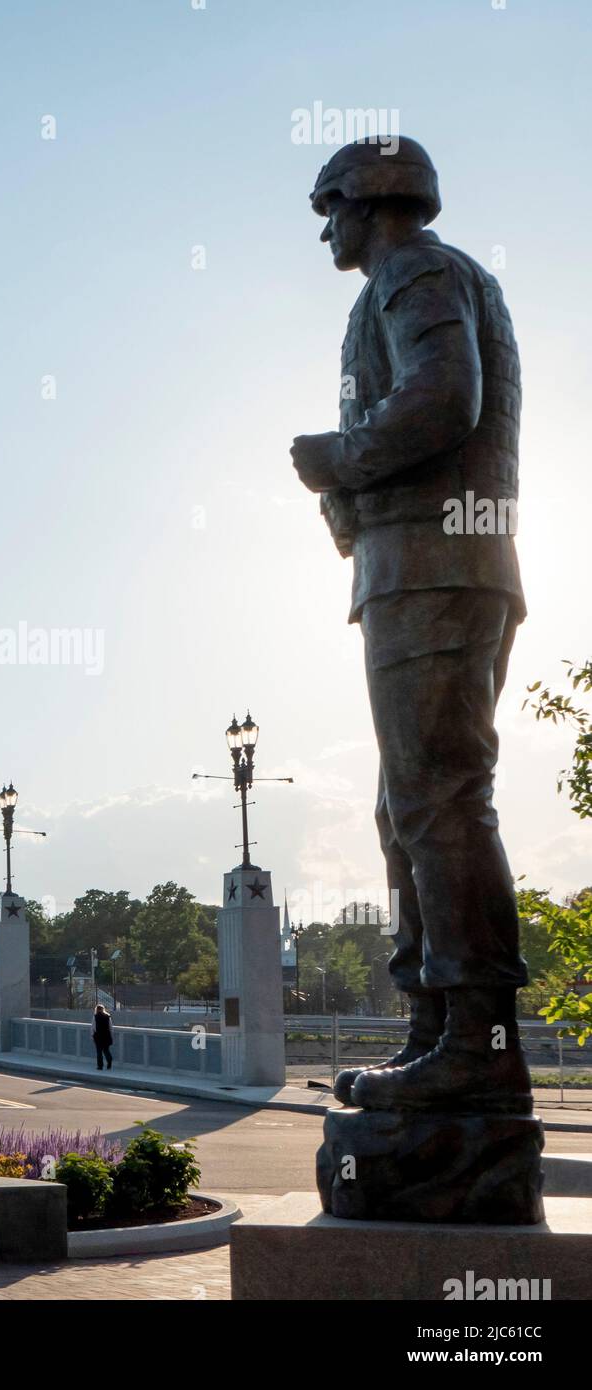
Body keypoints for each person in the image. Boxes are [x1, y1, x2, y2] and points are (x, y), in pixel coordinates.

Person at [290, 136, 532, 1115]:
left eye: (329, 209)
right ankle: (437, 1022)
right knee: (409, 803)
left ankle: (474, 1037)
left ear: (367, 202)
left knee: (436, 795)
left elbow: (443, 397)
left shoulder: (416, 271)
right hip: (418, 567)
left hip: (436, 567)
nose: (325, 232)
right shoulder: (406, 281)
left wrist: (337, 459)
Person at [92, 1004, 113, 1071]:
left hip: (98, 1036)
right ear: (103, 1009)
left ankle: (100, 1066)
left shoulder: (95, 1017)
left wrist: (92, 1035)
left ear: (96, 1010)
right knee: (106, 1050)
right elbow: (110, 1027)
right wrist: (111, 1036)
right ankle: (109, 1062)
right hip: (106, 1036)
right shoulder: (108, 1016)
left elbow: (93, 1027)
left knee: (99, 1052)